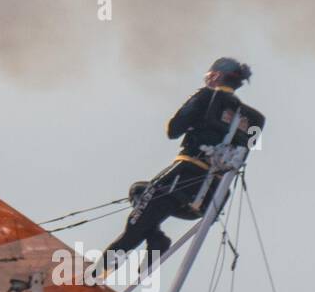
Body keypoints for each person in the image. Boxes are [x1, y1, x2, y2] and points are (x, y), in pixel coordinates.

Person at [98, 57, 265, 280]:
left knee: (136, 225)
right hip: (211, 199)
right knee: (140, 191)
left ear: (215, 76)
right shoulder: (253, 119)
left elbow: (174, 129)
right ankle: (156, 240)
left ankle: (94, 276)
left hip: (183, 176)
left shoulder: (206, 96)